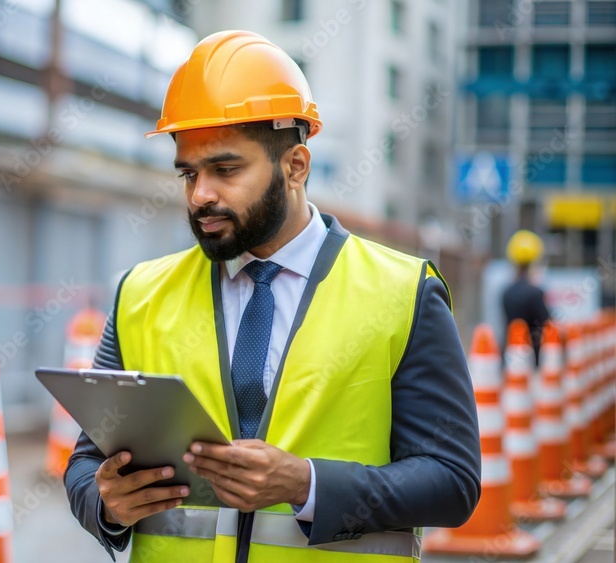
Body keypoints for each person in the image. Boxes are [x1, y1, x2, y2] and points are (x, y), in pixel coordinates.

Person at [64, 30, 480, 562]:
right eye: (189, 173)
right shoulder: (139, 295)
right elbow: (86, 464)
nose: (200, 195)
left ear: (295, 166)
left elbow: (452, 480)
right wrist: (106, 504)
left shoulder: (403, 293)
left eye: (225, 169)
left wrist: (305, 484)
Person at [502, 230, 551, 363]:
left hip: (510, 358)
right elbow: (547, 325)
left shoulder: (506, 292)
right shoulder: (536, 293)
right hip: (534, 361)